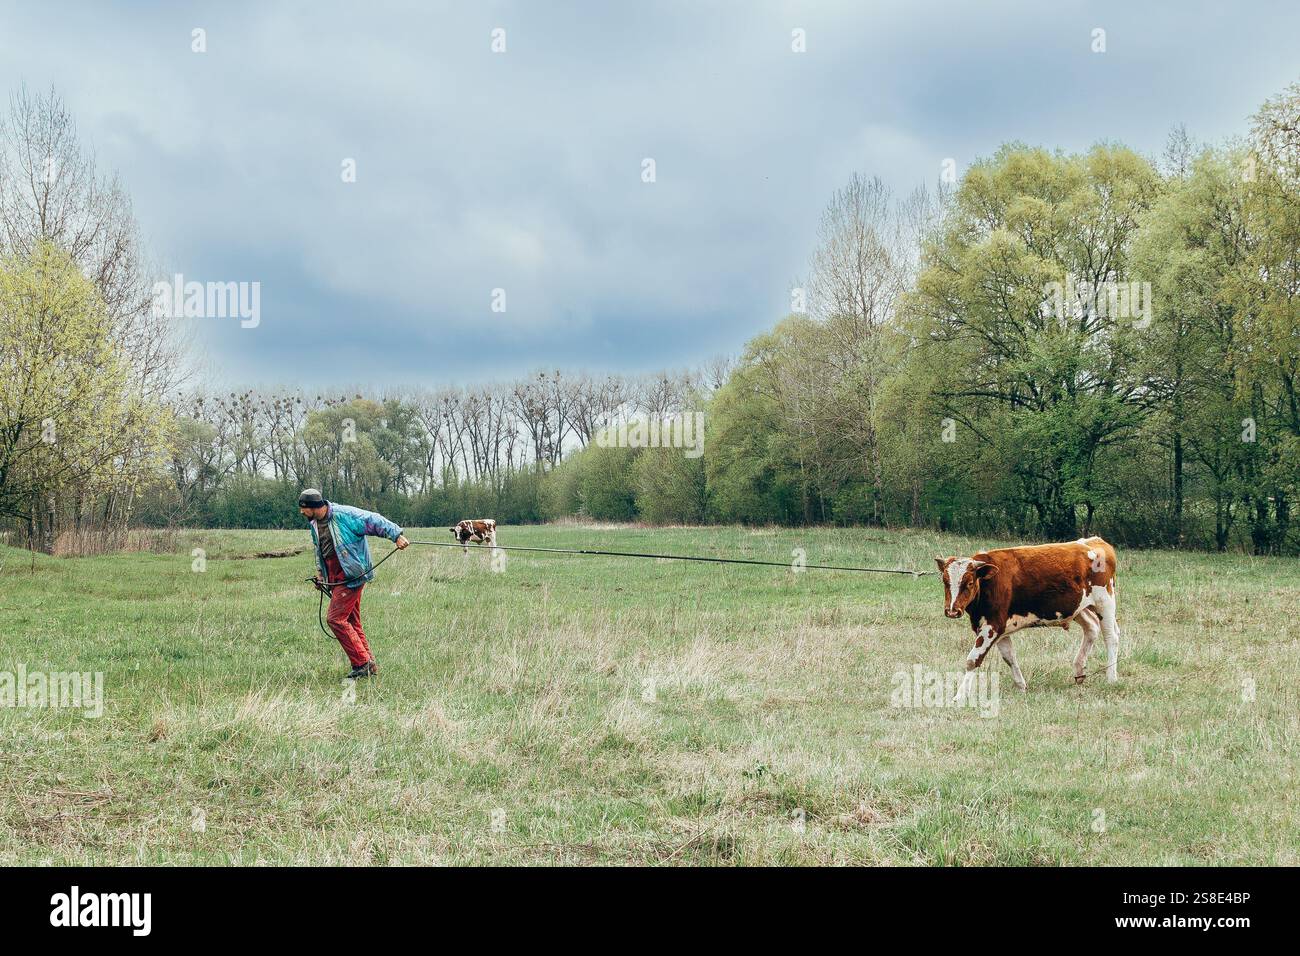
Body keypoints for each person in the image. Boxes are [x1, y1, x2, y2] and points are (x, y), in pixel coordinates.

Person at [297, 488, 409, 679]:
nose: (301, 512)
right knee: (350, 620)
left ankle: (361, 663)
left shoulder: (345, 515)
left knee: (335, 619)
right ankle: (369, 664)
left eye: (303, 508)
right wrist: (321, 574)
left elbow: (373, 520)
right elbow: (319, 549)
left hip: (352, 575)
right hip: (334, 575)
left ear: (314, 506)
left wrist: (396, 535)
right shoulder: (314, 523)